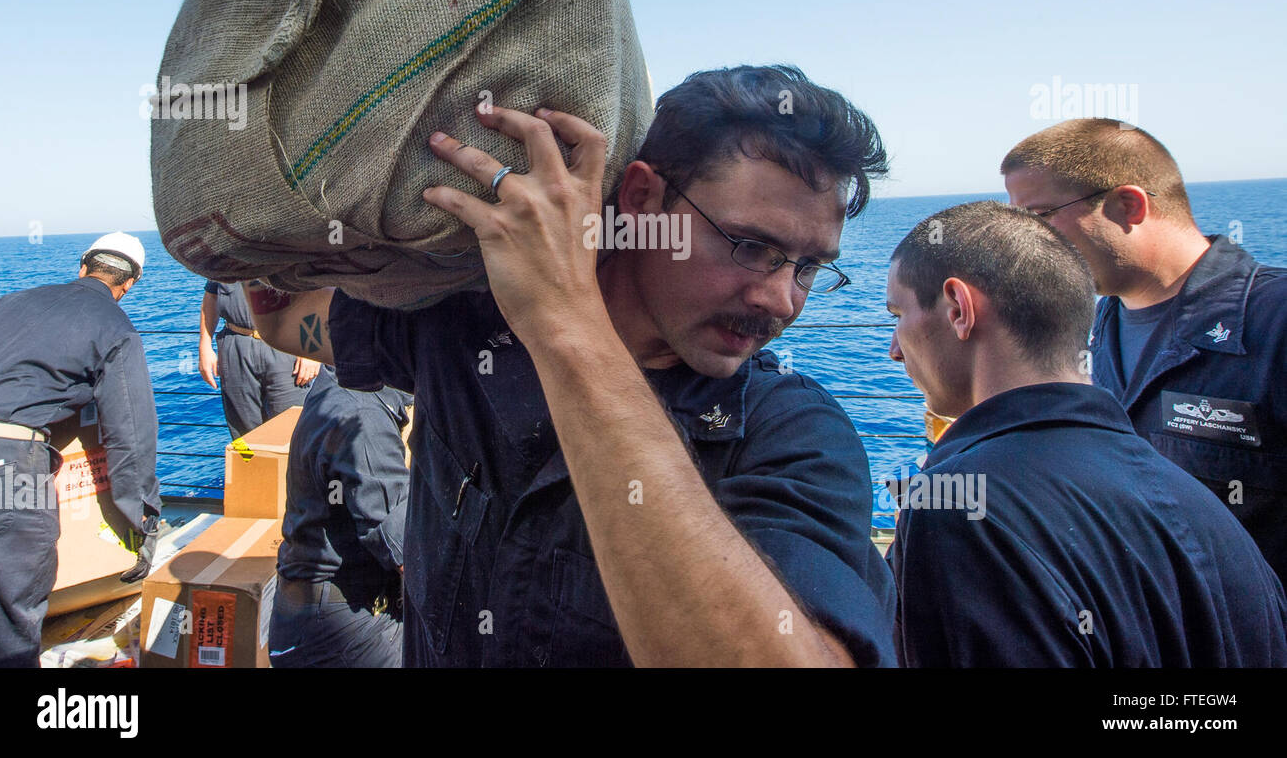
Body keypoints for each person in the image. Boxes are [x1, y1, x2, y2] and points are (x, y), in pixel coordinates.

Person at [244, 65, 899, 667]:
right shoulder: (465, 331)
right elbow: (282, 318)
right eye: (752, 245)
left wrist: (564, 320)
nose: (782, 299)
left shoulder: (795, 434)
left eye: (809, 266)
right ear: (642, 200)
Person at [885, 201, 1287, 667]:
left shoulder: (958, 507)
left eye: (897, 314)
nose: (895, 349)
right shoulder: (1206, 512)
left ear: (958, 308)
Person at [1002, 118, 1287, 583]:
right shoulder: (1089, 330)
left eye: (1040, 217)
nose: (1029, 243)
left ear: (1128, 205)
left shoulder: (1274, 320)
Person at [0, 232, 161, 668]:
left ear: (82, 266)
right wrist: (141, 520)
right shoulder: (115, 327)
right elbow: (131, 435)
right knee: (11, 620)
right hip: (7, 468)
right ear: (130, 283)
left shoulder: (7, 303)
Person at [269, 366, 411, 668]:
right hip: (341, 629)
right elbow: (410, 558)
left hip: (303, 614)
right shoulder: (364, 418)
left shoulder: (338, 380)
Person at [198, 280, 319, 439]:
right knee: (242, 434)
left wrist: (311, 351)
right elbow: (211, 296)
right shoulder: (223, 255)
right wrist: (204, 346)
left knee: (293, 429)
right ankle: (248, 464)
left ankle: (292, 464)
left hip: (285, 345)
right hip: (236, 346)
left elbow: (315, 293)